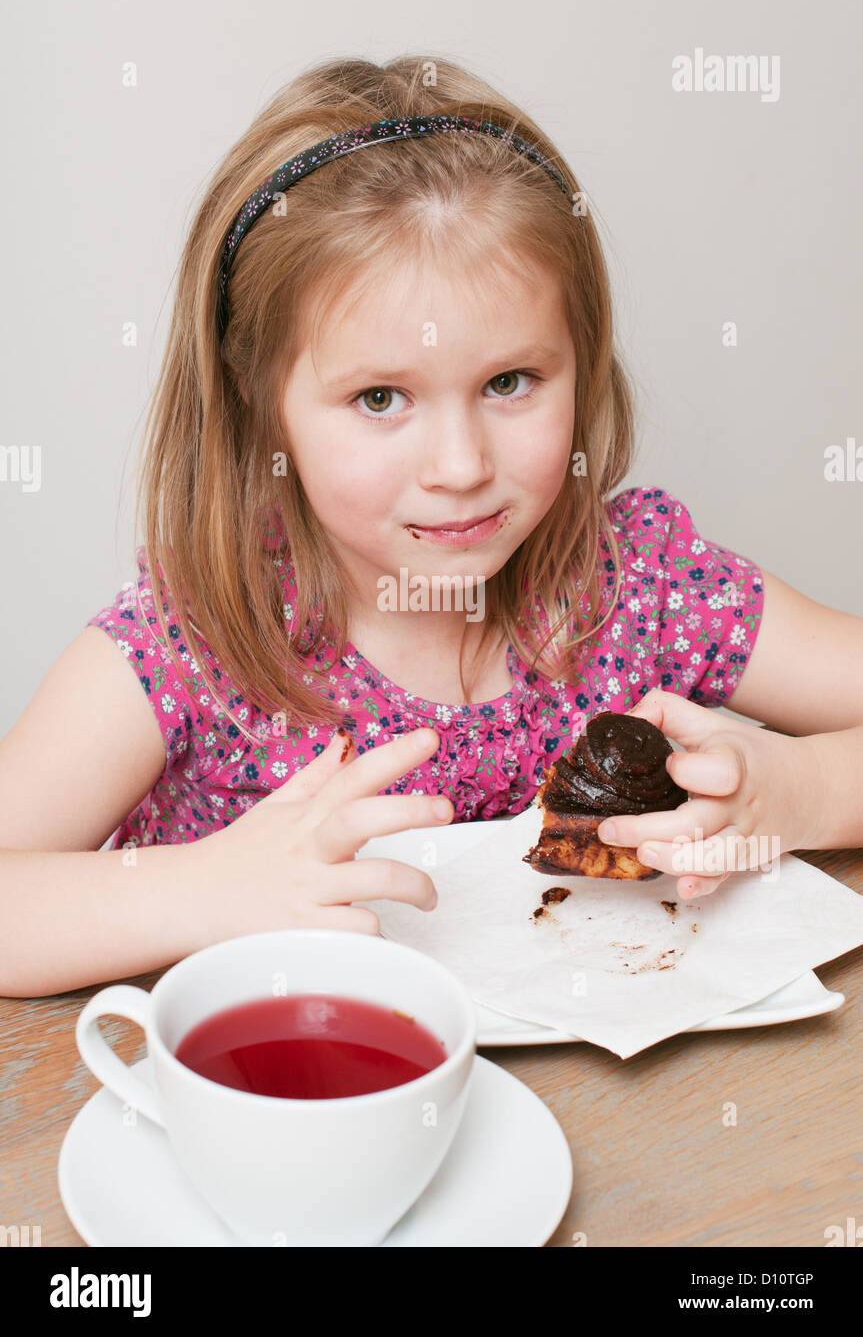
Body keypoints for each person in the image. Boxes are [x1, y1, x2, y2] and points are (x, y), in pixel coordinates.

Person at [2, 56, 862, 998]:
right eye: (379, 398)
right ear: (259, 402)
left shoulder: (643, 589)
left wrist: (803, 791)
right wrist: (204, 888)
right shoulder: (191, 646)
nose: (460, 466)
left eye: (509, 383)